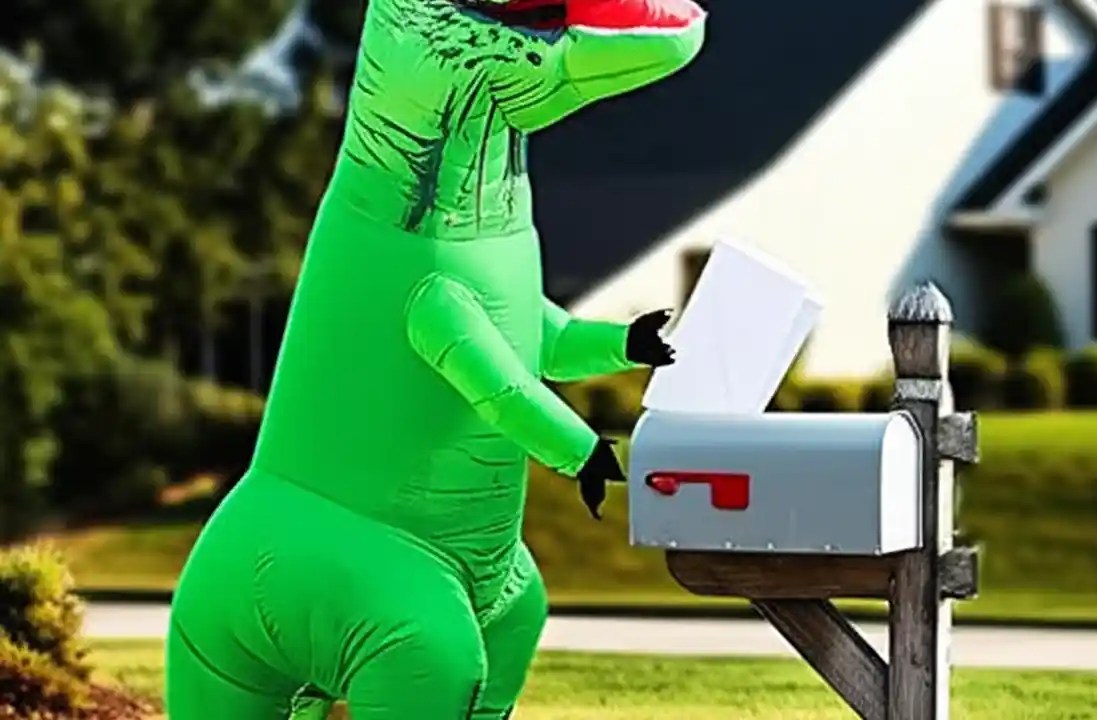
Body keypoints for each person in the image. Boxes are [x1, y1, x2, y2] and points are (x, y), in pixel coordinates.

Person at [163, 0, 706, 717]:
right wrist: (579, 449)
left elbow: (527, 335)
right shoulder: (419, 261)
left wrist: (623, 345)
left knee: (515, 604)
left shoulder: (491, 230)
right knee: (429, 646)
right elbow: (493, 376)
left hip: (431, 550)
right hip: (309, 538)